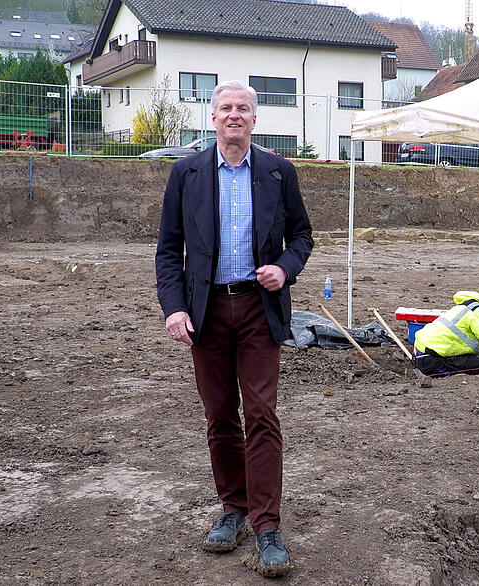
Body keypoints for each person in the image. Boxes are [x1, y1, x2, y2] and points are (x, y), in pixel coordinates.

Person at [155, 80, 312, 578]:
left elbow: (302, 235)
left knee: (261, 413)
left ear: (255, 119)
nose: (234, 116)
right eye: (226, 108)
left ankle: (268, 527)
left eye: (243, 109)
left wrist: (285, 268)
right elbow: (168, 250)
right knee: (221, 414)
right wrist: (174, 308)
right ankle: (233, 511)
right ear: (213, 118)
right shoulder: (187, 173)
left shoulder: (277, 172)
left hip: (257, 310)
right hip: (205, 314)